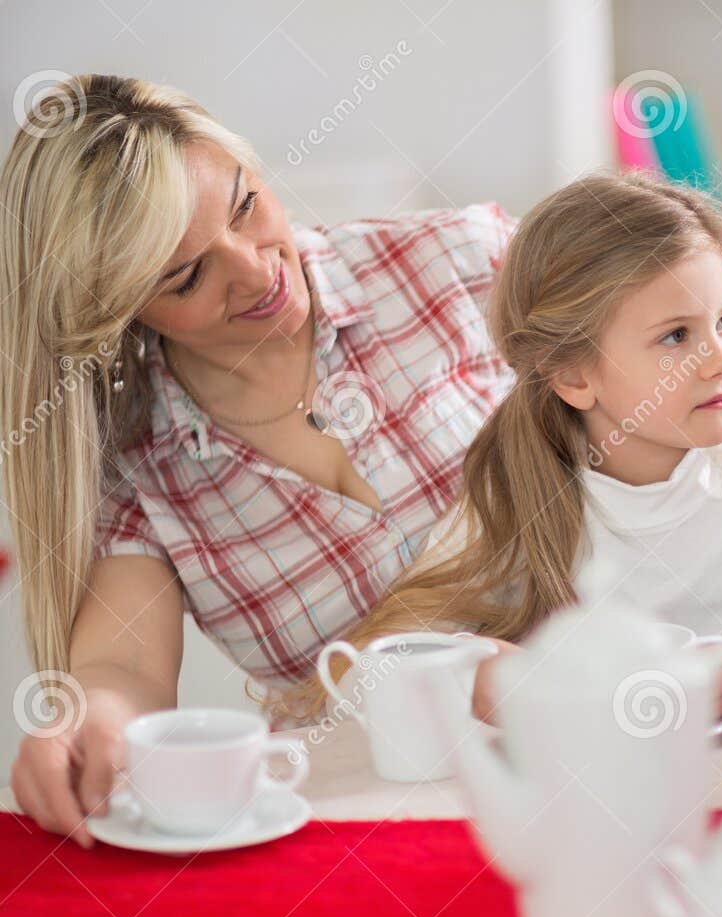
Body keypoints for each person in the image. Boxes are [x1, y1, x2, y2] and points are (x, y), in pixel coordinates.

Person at [2, 76, 516, 845]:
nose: (254, 270)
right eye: (186, 276)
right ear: (120, 311)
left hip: (595, 751)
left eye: (245, 206)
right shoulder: (138, 467)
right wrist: (85, 725)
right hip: (369, 836)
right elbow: (124, 669)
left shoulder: (457, 258)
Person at [286, 172, 722, 724]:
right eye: (676, 336)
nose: (721, 359)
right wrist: (480, 674)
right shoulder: (517, 492)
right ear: (575, 376)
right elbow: (369, 671)